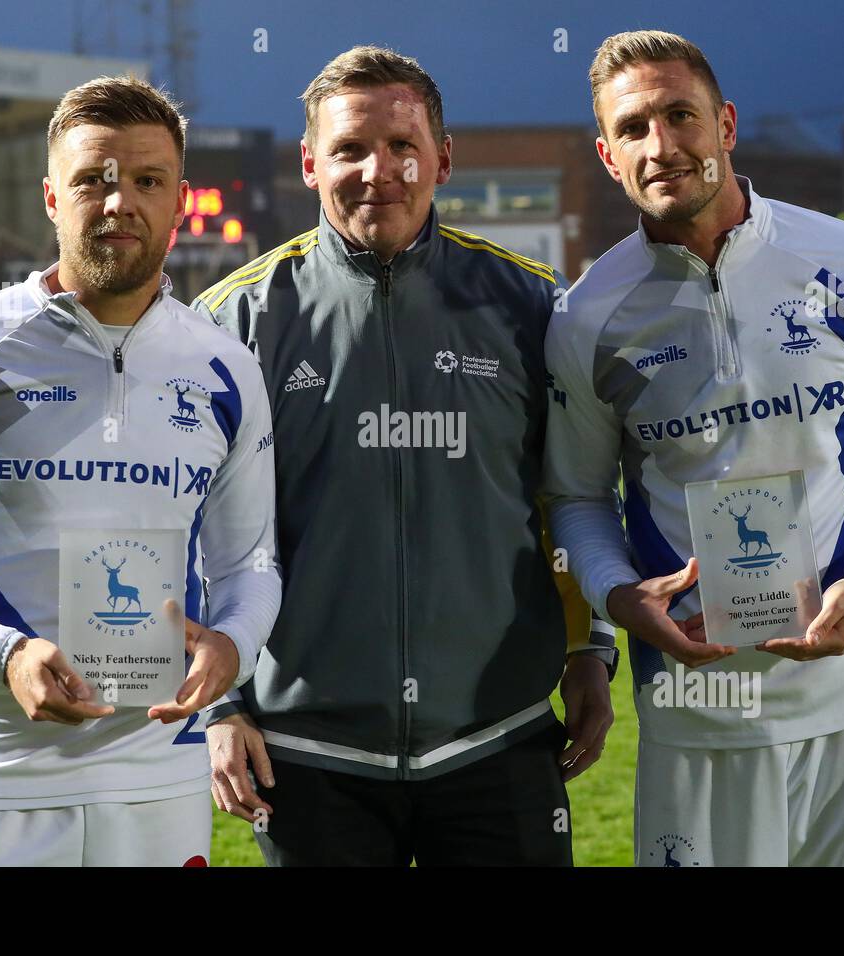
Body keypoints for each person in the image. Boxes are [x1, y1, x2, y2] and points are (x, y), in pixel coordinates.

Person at [542, 31, 844, 866]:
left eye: (681, 116)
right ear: (607, 155)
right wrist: (616, 596)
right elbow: (575, 495)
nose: (661, 145)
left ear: (727, 124)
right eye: (633, 128)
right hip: (697, 710)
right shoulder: (587, 317)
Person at [192, 46, 614, 866]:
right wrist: (227, 704)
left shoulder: (531, 305)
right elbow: (200, 529)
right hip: (309, 751)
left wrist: (589, 648)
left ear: (442, 158)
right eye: (349, 149)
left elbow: (575, 492)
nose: (375, 169)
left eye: (401, 145)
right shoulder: (236, 321)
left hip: (499, 735)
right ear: (311, 163)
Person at [0, 75, 281, 867]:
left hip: (160, 778)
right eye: (94, 180)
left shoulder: (225, 368)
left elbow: (249, 563)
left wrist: (234, 645)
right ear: (52, 197)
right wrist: (2, 655)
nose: (120, 203)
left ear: (181, 199)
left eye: (147, 181)